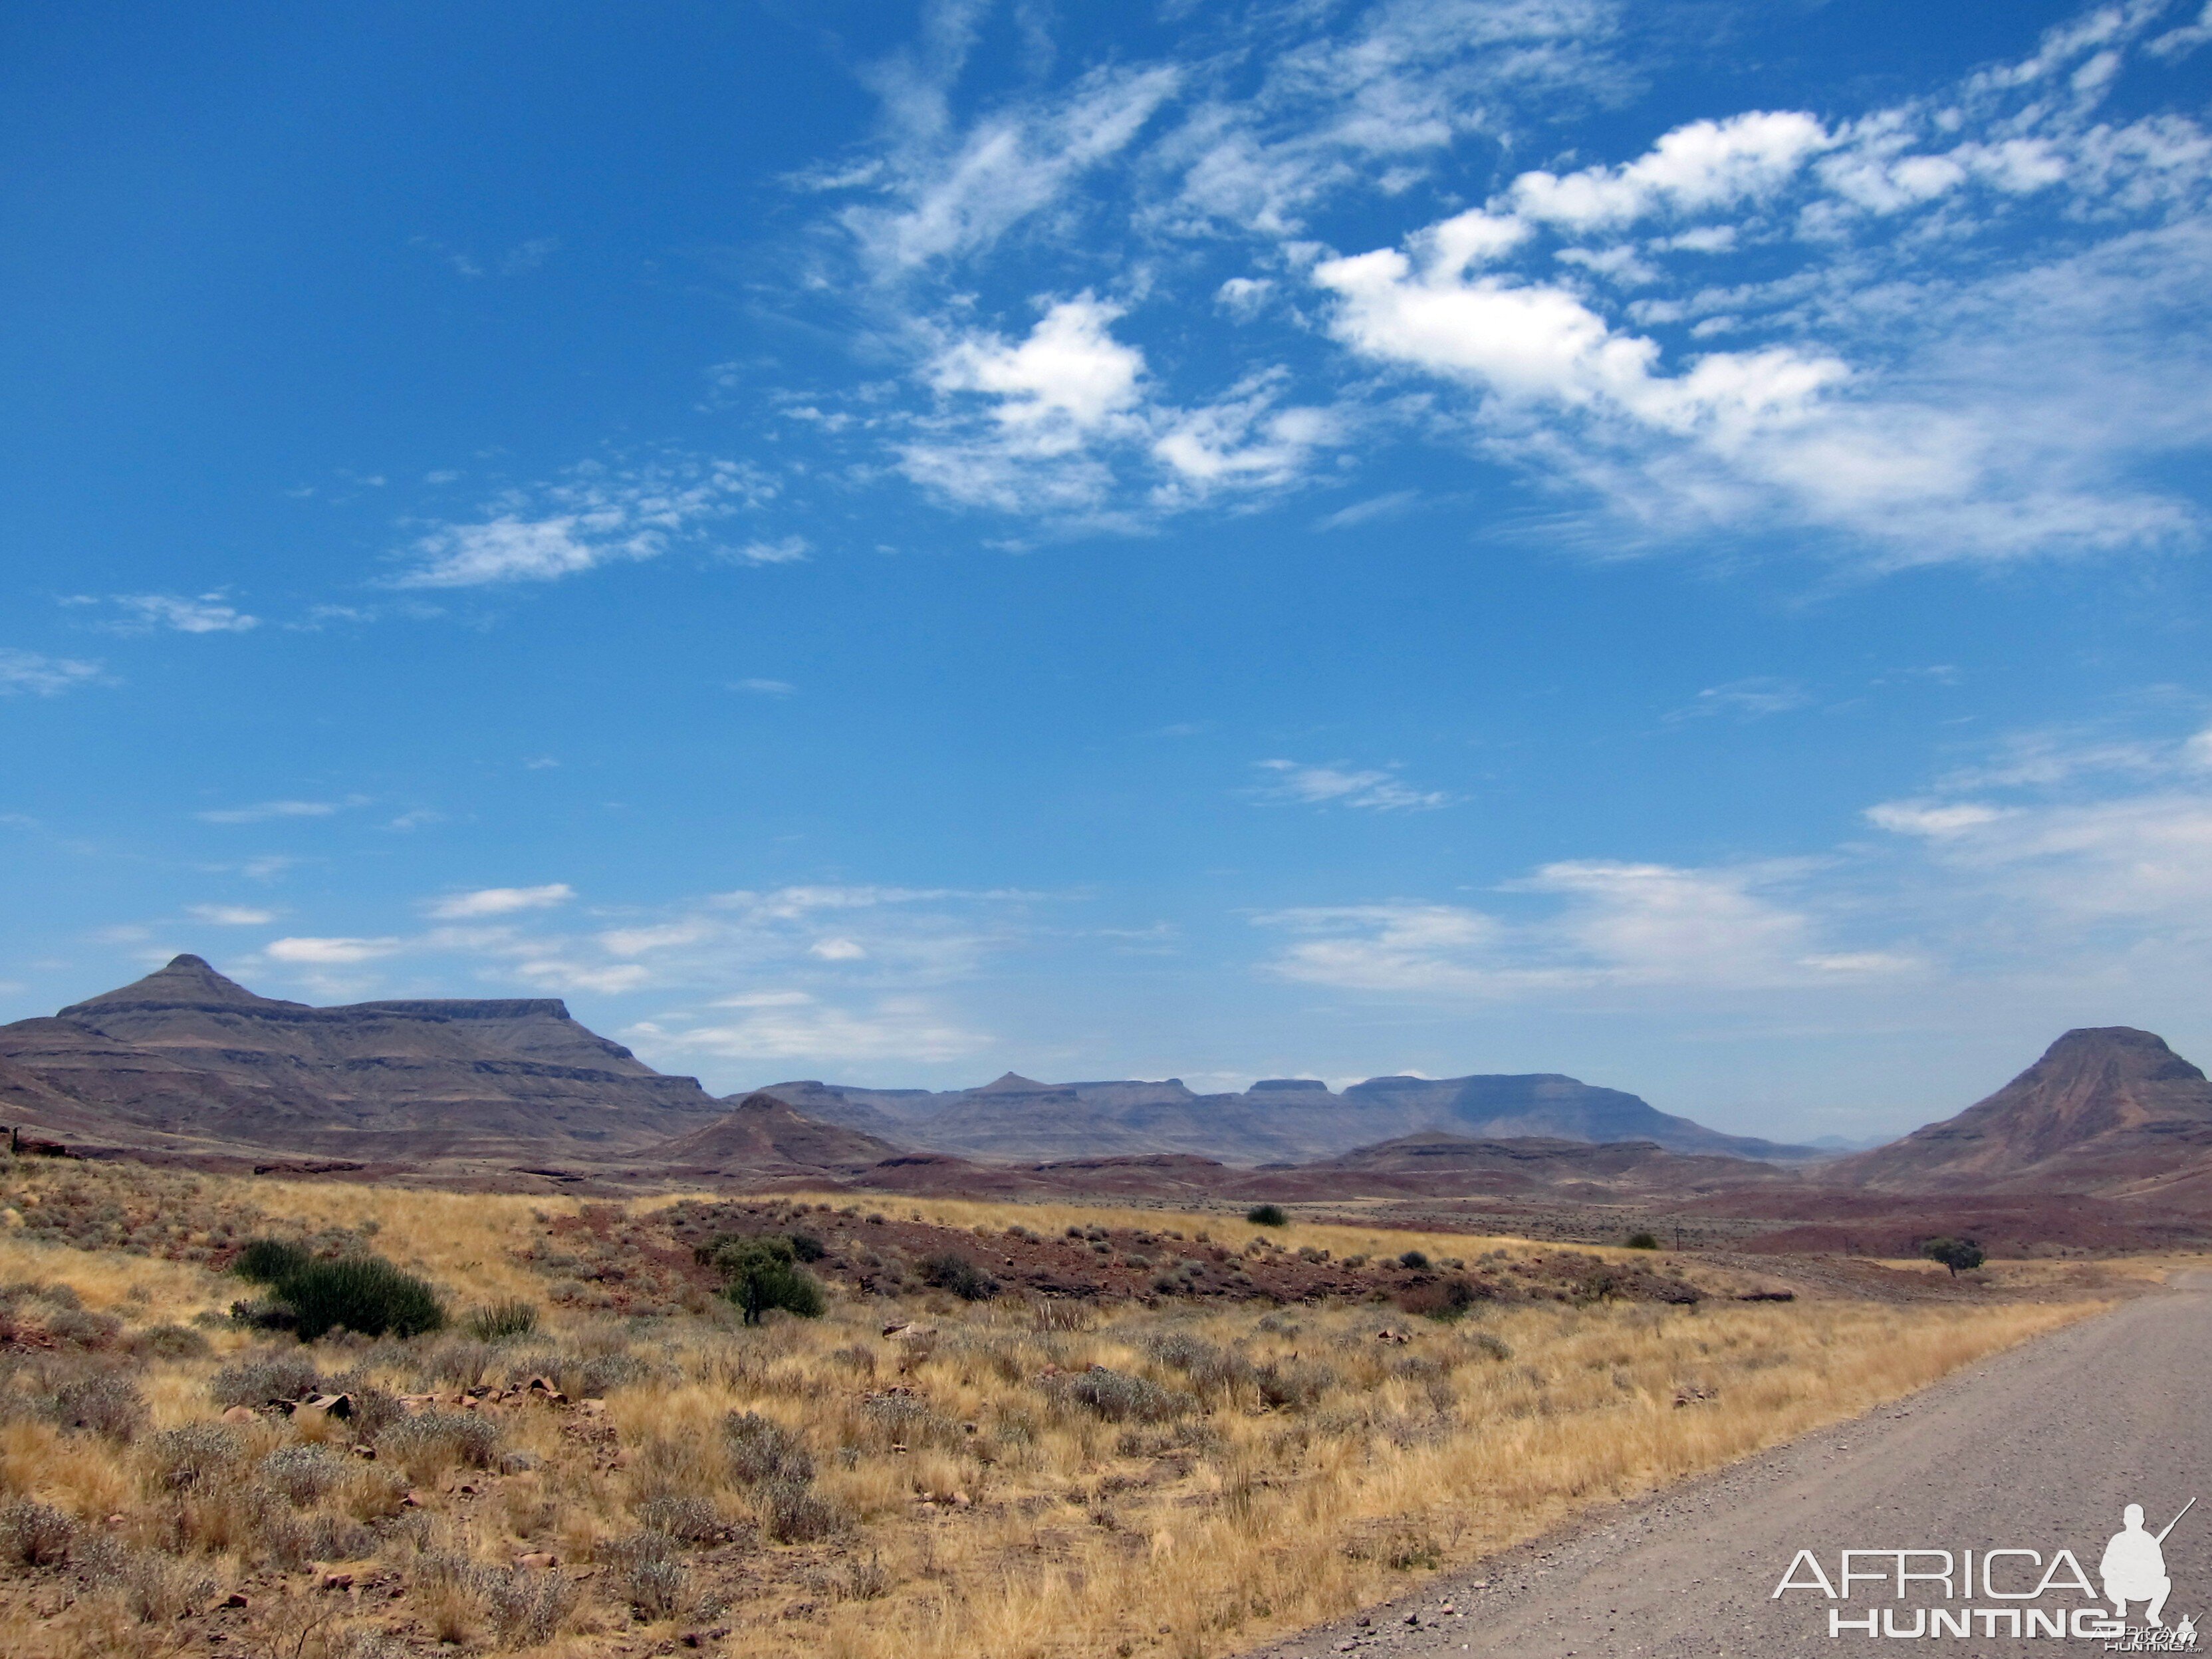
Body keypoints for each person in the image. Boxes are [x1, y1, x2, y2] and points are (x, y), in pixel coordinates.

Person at [2100, 1504, 2173, 1626]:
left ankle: (2153, 1614)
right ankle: (2121, 1604)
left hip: (2143, 1587)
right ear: (2125, 1521)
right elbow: (2105, 1569)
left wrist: (2144, 1568)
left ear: (2142, 1521)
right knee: (2108, 1581)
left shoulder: (2150, 1541)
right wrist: (2121, 1571)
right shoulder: (2117, 1540)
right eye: (2130, 1519)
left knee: (2165, 1582)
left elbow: (2161, 1570)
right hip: (2121, 1587)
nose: (2133, 1522)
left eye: (2136, 1519)